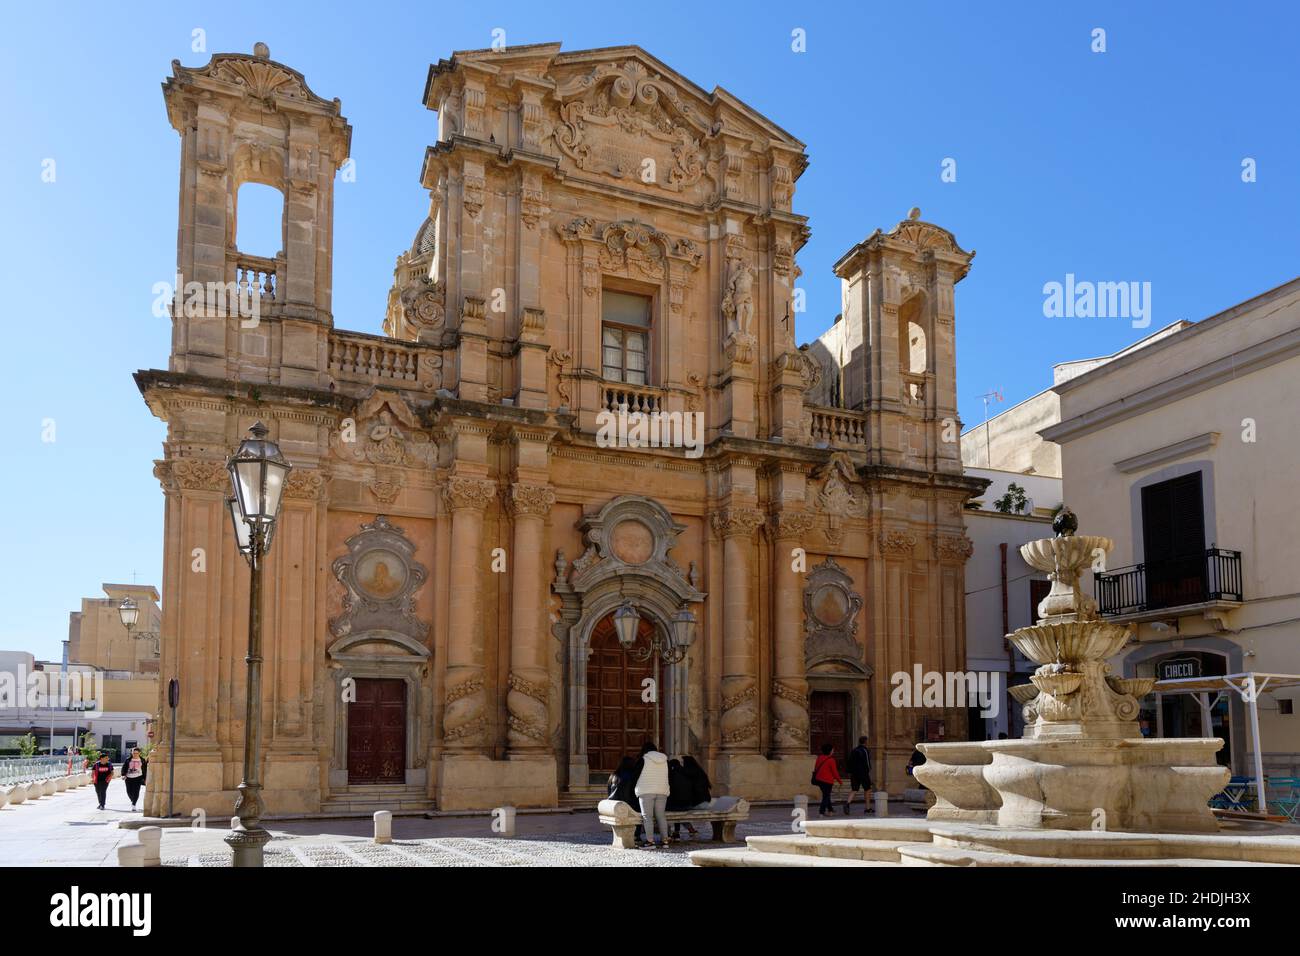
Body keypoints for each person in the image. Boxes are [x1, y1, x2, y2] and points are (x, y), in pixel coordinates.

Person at [634, 740, 671, 848]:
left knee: (647, 817)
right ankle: (665, 841)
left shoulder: (643, 759)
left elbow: (635, 775)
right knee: (661, 816)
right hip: (662, 790)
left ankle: (650, 841)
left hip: (646, 791)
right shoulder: (665, 760)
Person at [607, 755, 644, 845]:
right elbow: (630, 793)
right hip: (627, 803)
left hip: (613, 804)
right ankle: (636, 835)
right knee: (640, 808)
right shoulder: (631, 776)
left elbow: (609, 791)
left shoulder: (613, 775)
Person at [666, 758, 699, 840]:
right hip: (688, 804)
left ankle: (670, 834)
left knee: (662, 811)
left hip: (676, 805)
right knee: (679, 813)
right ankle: (685, 831)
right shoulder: (687, 773)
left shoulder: (672, 775)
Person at [844, 736, 873, 815]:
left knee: (854, 789)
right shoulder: (864, 750)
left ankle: (847, 803)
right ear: (866, 742)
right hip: (863, 773)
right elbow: (867, 763)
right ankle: (867, 808)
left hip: (854, 773)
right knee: (867, 789)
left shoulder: (854, 750)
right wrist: (868, 770)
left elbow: (849, 761)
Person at [812, 742, 841, 816]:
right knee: (826, 796)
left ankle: (830, 810)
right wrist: (839, 781)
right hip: (827, 781)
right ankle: (821, 812)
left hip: (819, 780)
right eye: (832, 750)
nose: (833, 751)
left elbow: (815, 768)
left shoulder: (819, 758)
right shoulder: (831, 760)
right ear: (830, 751)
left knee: (826, 795)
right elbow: (835, 772)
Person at [121, 748, 148, 812]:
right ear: (131, 753)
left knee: (136, 791)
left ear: (139, 753)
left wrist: (145, 778)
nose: (135, 754)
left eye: (136, 753)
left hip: (138, 777)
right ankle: (133, 800)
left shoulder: (142, 760)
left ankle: (134, 804)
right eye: (133, 753)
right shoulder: (128, 760)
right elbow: (124, 768)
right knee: (129, 791)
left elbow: (145, 770)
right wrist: (123, 775)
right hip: (128, 778)